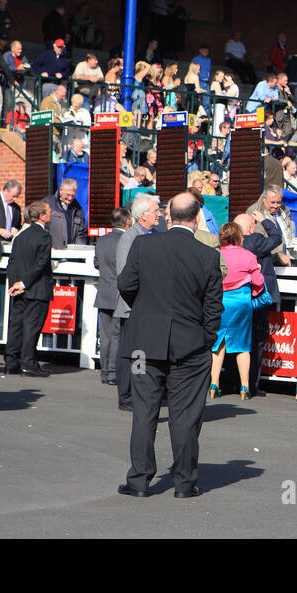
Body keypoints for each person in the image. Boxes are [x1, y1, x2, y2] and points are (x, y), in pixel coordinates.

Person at [117, 193, 223, 498]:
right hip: (189, 345)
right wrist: (205, 339)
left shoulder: (143, 245)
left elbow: (125, 285)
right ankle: (184, 483)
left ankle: (138, 480)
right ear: (198, 218)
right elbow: (214, 307)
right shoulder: (207, 255)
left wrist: (145, 313)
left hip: (143, 344)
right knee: (185, 416)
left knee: (144, 412)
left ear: (168, 217)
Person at [209, 222, 267, 401]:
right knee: (243, 346)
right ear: (239, 236)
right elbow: (258, 282)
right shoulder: (248, 255)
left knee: (218, 344)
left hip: (220, 301)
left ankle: (214, 384)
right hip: (241, 302)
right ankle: (245, 387)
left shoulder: (215, 255)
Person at [114, 194, 159, 410]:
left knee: (141, 352)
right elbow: (125, 277)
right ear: (143, 216)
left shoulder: (150, 235)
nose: (159, 214)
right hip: (132, 307)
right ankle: (126, 395)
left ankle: (139, 392)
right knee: (128, 352)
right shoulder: (130, 238)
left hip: (144, 307)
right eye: (155, 211)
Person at [5, 200, 55, 377]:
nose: (51, 213)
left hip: (20, 288)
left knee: (17, 325)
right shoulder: (44, 236)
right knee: (32, 327)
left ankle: (11, 361)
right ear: (41, 216)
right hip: (36, 288)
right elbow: (41, 264)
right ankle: (28, 363)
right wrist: (24, 283)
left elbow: (12, 262)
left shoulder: (20, 236)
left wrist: (15, 284)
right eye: (48, 211)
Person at [94, 208, 130, 387]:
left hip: (104, 291)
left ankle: (105, 371)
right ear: (127, 221)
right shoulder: (126, 241)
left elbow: (97, 263)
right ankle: (112, 372)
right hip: (119, 294)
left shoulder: (102, 240)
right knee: (116, 335)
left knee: (106, 335)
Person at [46, 178, 88, 248]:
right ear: (61, 190)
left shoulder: (78, 209)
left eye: (73, 195)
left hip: (71, 254)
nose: (70, 198)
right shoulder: (48, 204)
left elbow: (81, 233)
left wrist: (79, 249)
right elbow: (43, 229)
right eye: (68, 195)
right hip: (53, 251)